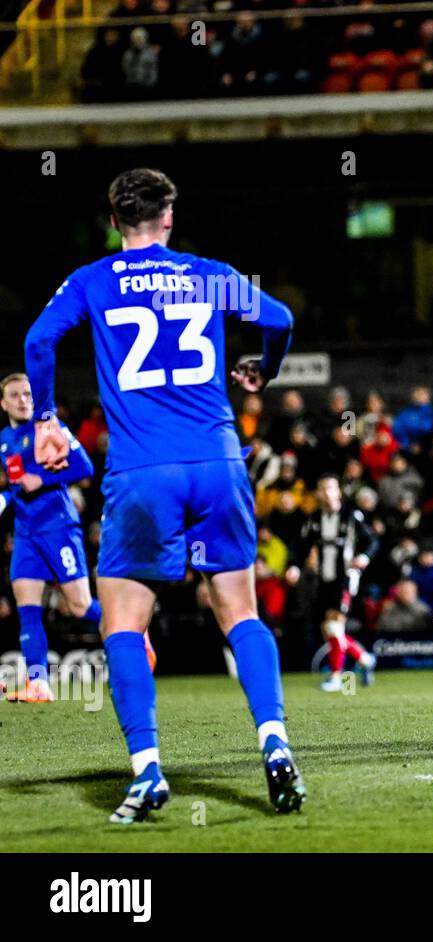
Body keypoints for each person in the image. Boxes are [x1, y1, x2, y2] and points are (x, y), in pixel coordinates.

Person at [24, 168, 303, 823]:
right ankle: (276, 746)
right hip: (218, 459)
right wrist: (267, 368)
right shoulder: (206, 273)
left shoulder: (93, 279)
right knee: (239, 612)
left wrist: (44, 420)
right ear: (170, 216)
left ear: (114, 219)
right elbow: (282, 318)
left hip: (143, 469)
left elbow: (39, 339)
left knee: (122, 623)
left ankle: (148, 772)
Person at [0, 373, 150, 702]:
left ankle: (137, 633)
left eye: (27, 393)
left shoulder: (48, 428)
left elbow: (83, 467)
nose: (24, 399)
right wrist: (5, 499)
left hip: (57, 526)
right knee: (27, 606)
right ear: (3, 403)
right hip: (26, 533)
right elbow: (15, 485)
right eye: (15, 395)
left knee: (80, 606)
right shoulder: (5, 440)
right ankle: (38, 683)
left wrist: (40, 479)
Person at [287, 474, 379, 692]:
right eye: (323, 488)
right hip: (323, 579)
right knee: (329, 630)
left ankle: (337, 677)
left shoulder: (350, 515)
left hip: (345, 578)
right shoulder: (315, 518)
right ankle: (364, 659)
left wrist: (363, 557)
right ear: (318, 493)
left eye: (331, 488)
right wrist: (294, 566)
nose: (327, 493)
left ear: (338, 492)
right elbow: (301, 545)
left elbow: (372, 540)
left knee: (335, 625)